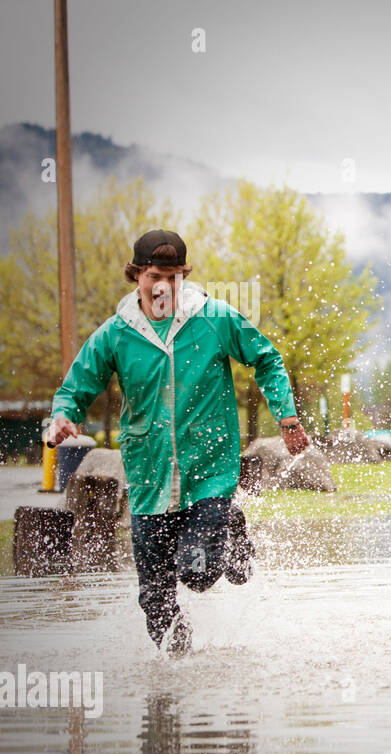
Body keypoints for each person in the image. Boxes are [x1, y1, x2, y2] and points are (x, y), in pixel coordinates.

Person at [47, 229, 307, 655]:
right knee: (156, 603)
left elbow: (266, 359)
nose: (164, 285)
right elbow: (79, 384)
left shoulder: (214, 318)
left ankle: (230, 526)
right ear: (137, 276)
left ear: (183, 275)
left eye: (172, 275)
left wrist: (286, 415)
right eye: (154, 275)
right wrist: (64, 414)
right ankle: (175, 677)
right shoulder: (116, 333)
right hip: (149, 480)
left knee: (197, 571)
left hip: (208, 473)